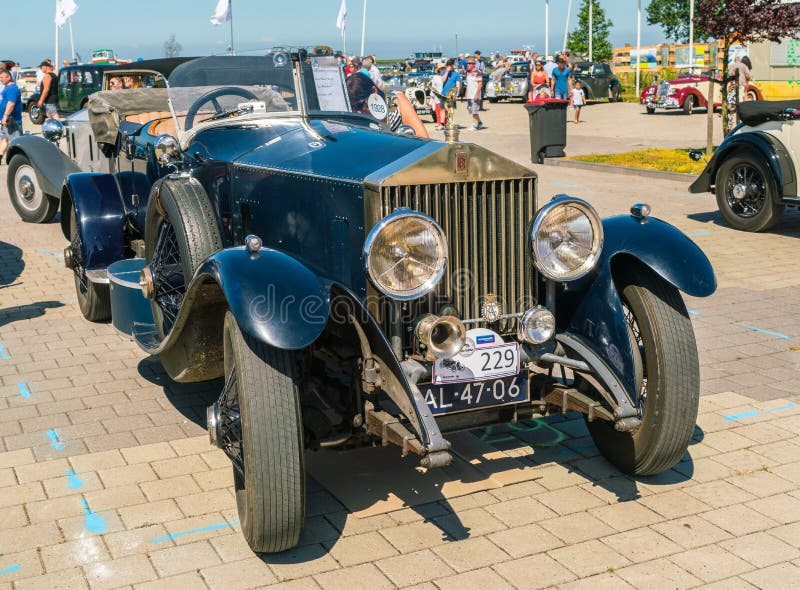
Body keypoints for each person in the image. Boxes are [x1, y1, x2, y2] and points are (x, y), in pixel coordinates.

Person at [346, 72, 428, 138]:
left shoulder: (396, 100)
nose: (358, 112)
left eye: (360, 105)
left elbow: (422, 137)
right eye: (353, 107)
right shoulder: (354, 115)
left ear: (374, 91)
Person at [0, 69, 23, 159]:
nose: (0, 79)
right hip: (4, 120)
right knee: (4, 139)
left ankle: (19, 159)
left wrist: (5, 116)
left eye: (2, 77)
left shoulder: (12, 88)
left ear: (8, 77)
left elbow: (11, 103)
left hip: (12, 120)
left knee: (16, 142)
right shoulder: (7, 87)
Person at [439, 59, 462, 127]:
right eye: (448, 65)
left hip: (451, 94)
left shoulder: (456, 74)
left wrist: (457, 93)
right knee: (442, 109)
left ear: (453, 65)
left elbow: (458, 84)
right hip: (443, 94)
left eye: (450, 65)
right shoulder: (443, 72)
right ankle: (442, 123)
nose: (449, 66)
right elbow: (443, 80)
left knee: (450, 109)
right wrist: (447, 72)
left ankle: (450, 122)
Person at [464, 59, 484, 130]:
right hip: (469, 95)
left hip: (475, 95)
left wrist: (476, 95)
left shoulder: (478, 72)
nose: (468, 65)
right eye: (467, 63)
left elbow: (480, 84)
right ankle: (480, 122)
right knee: (471, 110)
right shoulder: (468, 72)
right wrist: (466, 93)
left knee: (474, 111)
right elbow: (468, 84)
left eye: (469, 63)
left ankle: (473, 125)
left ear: (473, 64)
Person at [430, 63, 446, 129]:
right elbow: (433, 87)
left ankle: (445, 123)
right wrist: (431, 96)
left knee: (445, 110)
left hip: (445, 95)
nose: (442, 70)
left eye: (443, 68)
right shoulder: (435, 77)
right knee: (438, 110)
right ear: (438, 70)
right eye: (441, 69)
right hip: (437, 96)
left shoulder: (447, 76)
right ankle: (439, 123)